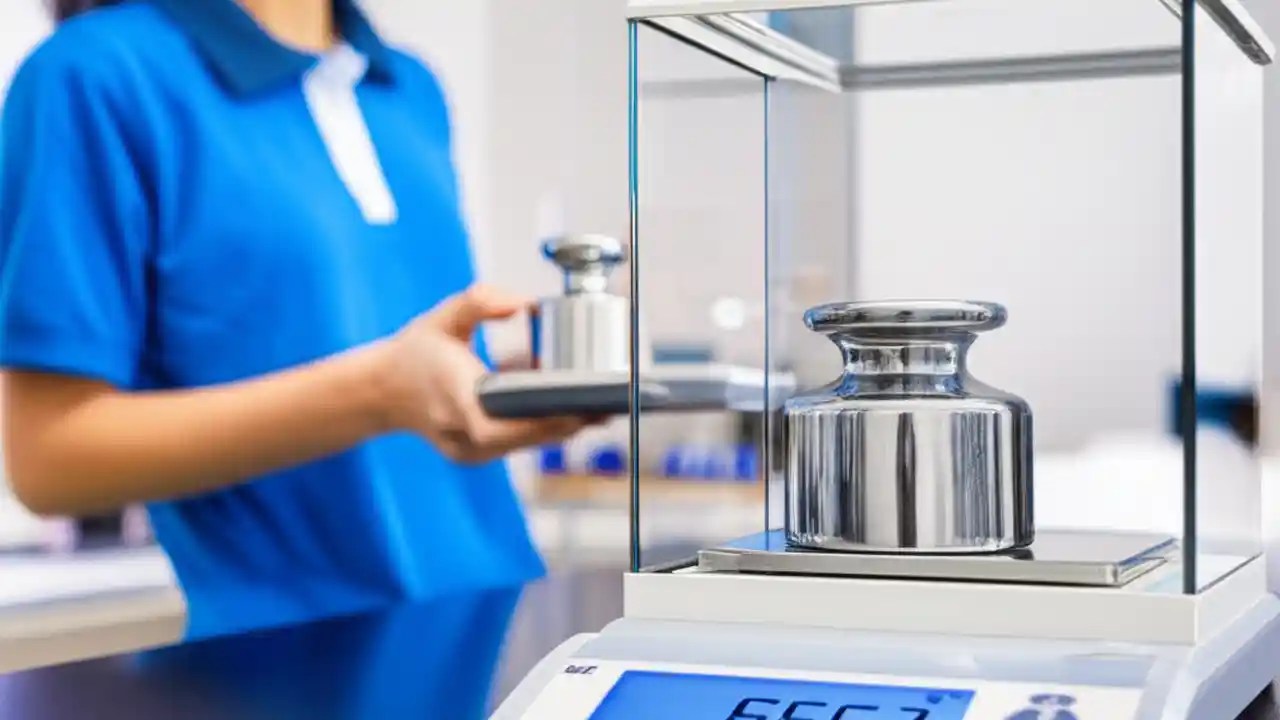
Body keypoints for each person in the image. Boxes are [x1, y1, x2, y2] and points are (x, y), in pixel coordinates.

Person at [0, 0, 588, 639]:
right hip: (287, 659)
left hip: (487, 632)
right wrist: (382, 394)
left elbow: (390, 359)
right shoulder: (93, 76)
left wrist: (501, 387)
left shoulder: (409, 87)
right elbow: (48, 459)